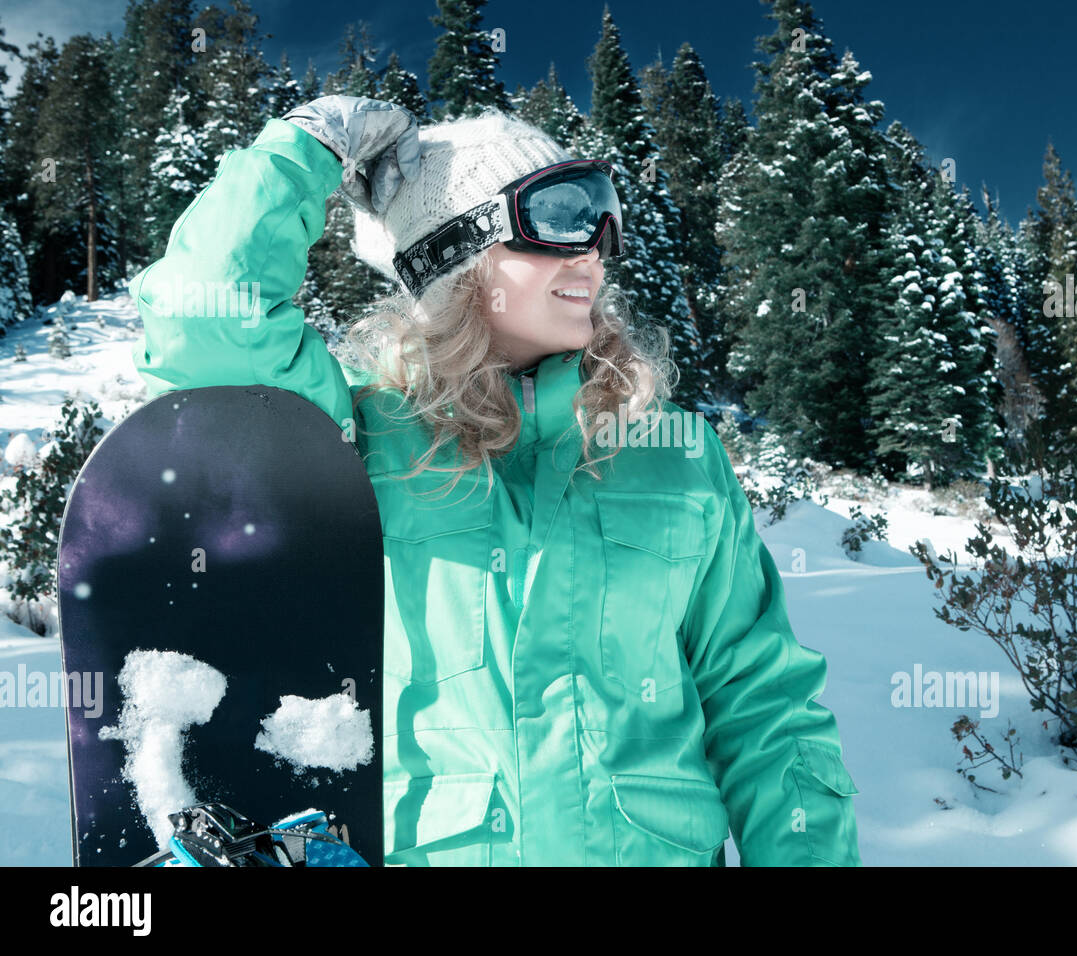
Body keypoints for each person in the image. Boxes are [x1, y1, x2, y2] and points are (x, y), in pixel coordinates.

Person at [129, 94, 862, 866]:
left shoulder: (672, 450)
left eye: (603, 219)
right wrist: (302, 149)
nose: (595, 253)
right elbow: (200, 318)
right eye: (560, 219)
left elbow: (765, 709)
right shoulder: (357, 433)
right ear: (456, 255)